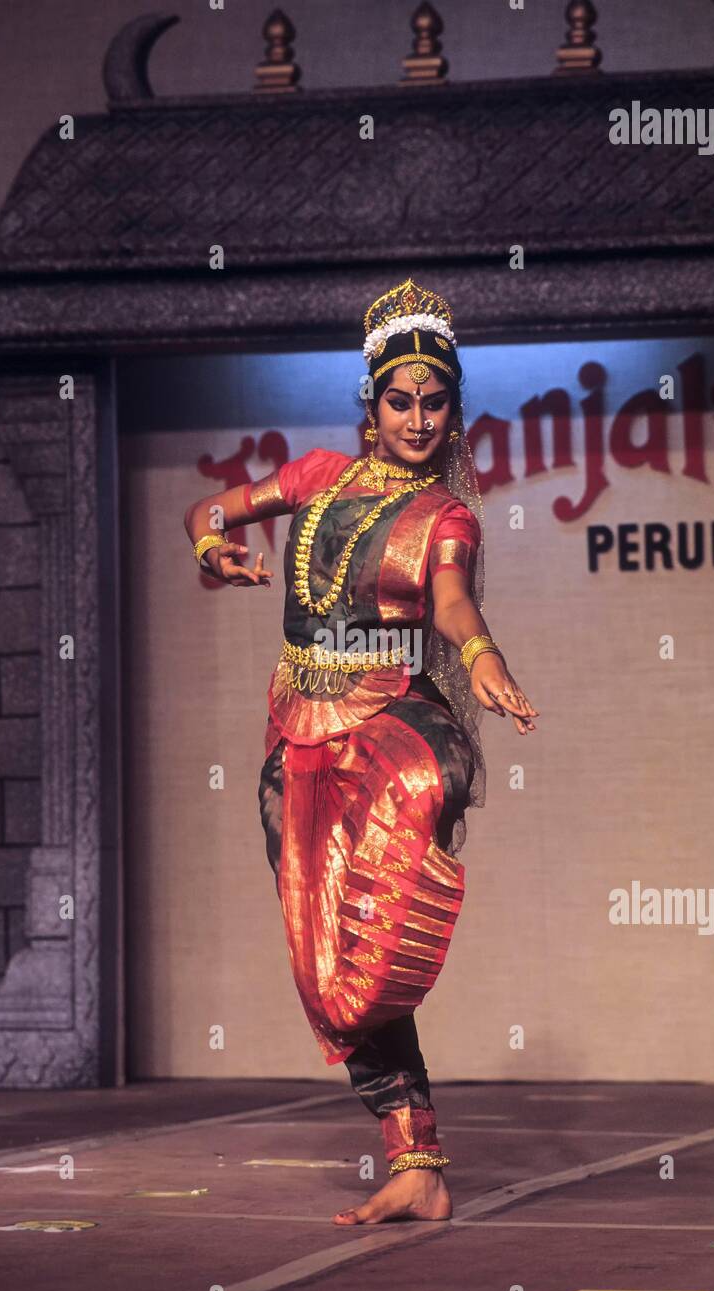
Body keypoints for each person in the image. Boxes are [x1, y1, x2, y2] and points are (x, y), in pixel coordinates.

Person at [184, 278, 538, 1225]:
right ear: (371, 406)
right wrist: (210, 551)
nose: (419, 418)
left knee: (383, 926)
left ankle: (414, 1146)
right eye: (401, 399)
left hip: (392, 723)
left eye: (436, 402)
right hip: (296, 733)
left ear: (452, 413)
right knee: (327, 969)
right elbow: (210, 513)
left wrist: (483, 657)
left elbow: (453, 601)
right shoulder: (311, 477)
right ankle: (413, 1155)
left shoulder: (447, 518)